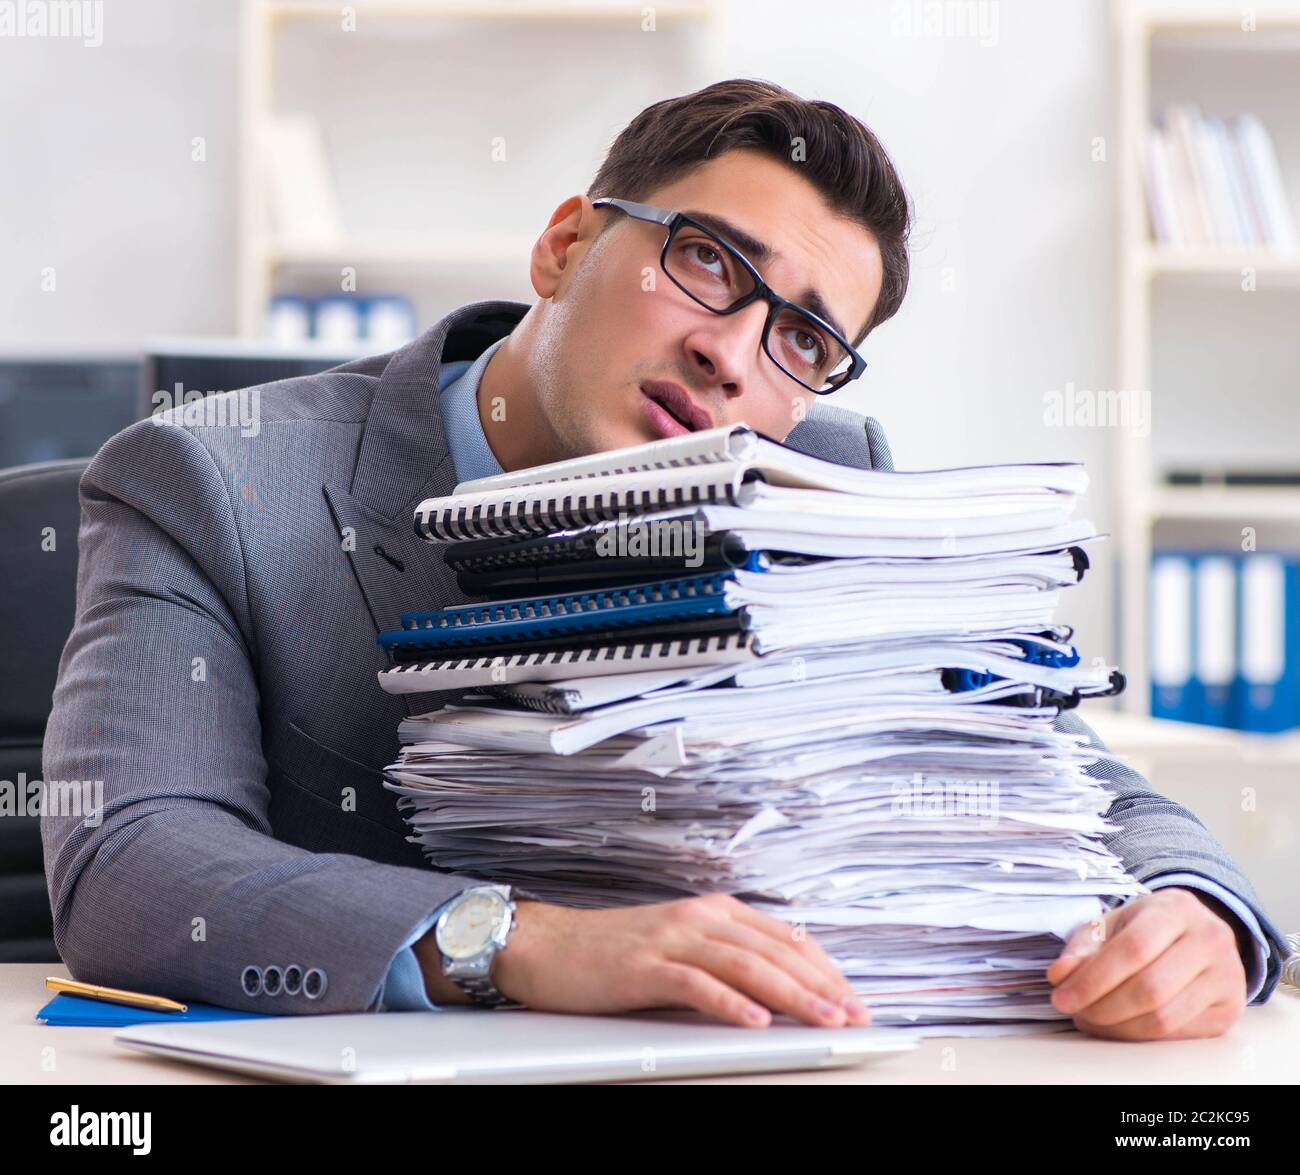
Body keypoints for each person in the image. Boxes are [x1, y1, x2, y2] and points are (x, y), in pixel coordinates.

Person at [42, 79, 1288, 1041]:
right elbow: (131, 858)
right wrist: (516, 941)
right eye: (709, 263)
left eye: (802, 334)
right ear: (564, 246)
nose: (732, 355)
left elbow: (1051, 760)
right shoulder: (216, 478)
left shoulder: (825, 480)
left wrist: (1199, 909)